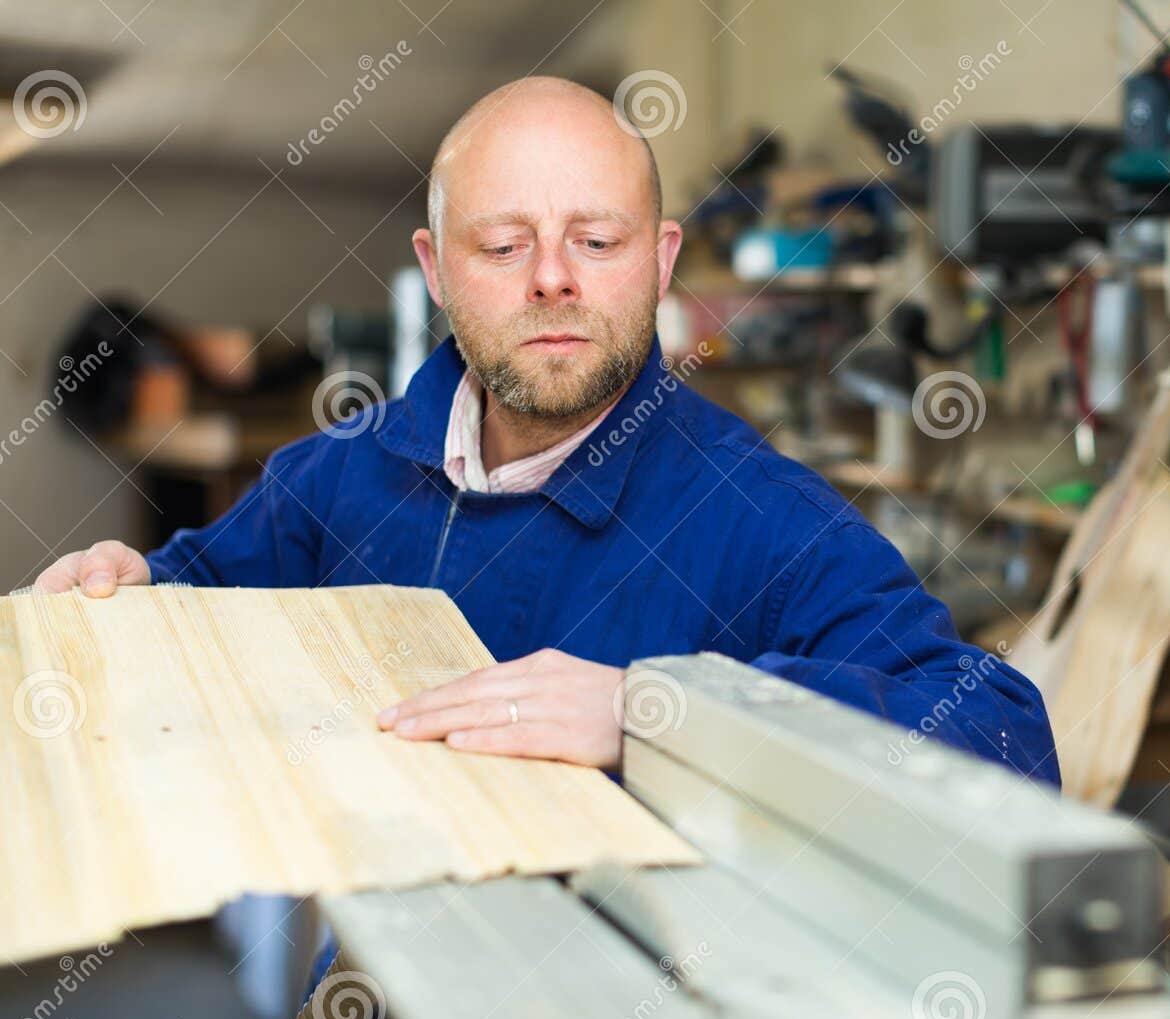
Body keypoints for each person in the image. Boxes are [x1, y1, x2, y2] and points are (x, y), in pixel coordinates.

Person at [33, 76, 1059, 788]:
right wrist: (120, 593)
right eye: (505, 242)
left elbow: (1004, 741)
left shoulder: (766, 524)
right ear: (436, 272)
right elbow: (188, 608)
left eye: (596, 239)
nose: (553, 276)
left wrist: (661, 713)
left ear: (660, 263)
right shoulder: (329, 483)